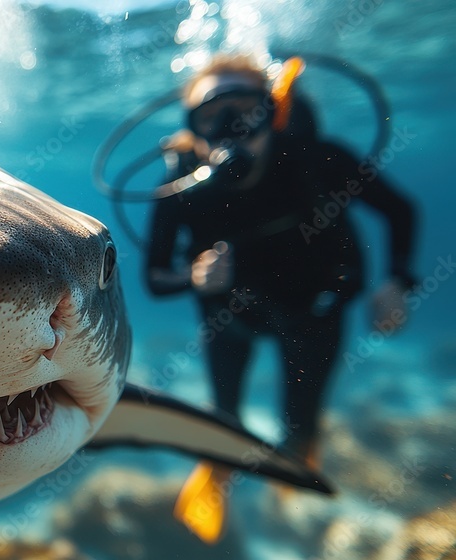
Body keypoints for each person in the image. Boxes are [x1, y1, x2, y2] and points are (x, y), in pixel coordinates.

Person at [142, 54, 417, 543]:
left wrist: (398, 281)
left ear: (275, 113)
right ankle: (219, 473)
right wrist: (194, 277)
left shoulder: (320, 159)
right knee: (224, 419)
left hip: (314, 312)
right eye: (211, 117)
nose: (230, 129)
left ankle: (295, 474)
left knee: (301, 424)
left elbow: (401, 211)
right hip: (230, 316)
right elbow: (154, 278)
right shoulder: (179, 186)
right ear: (194, 129)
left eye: (246, 111)